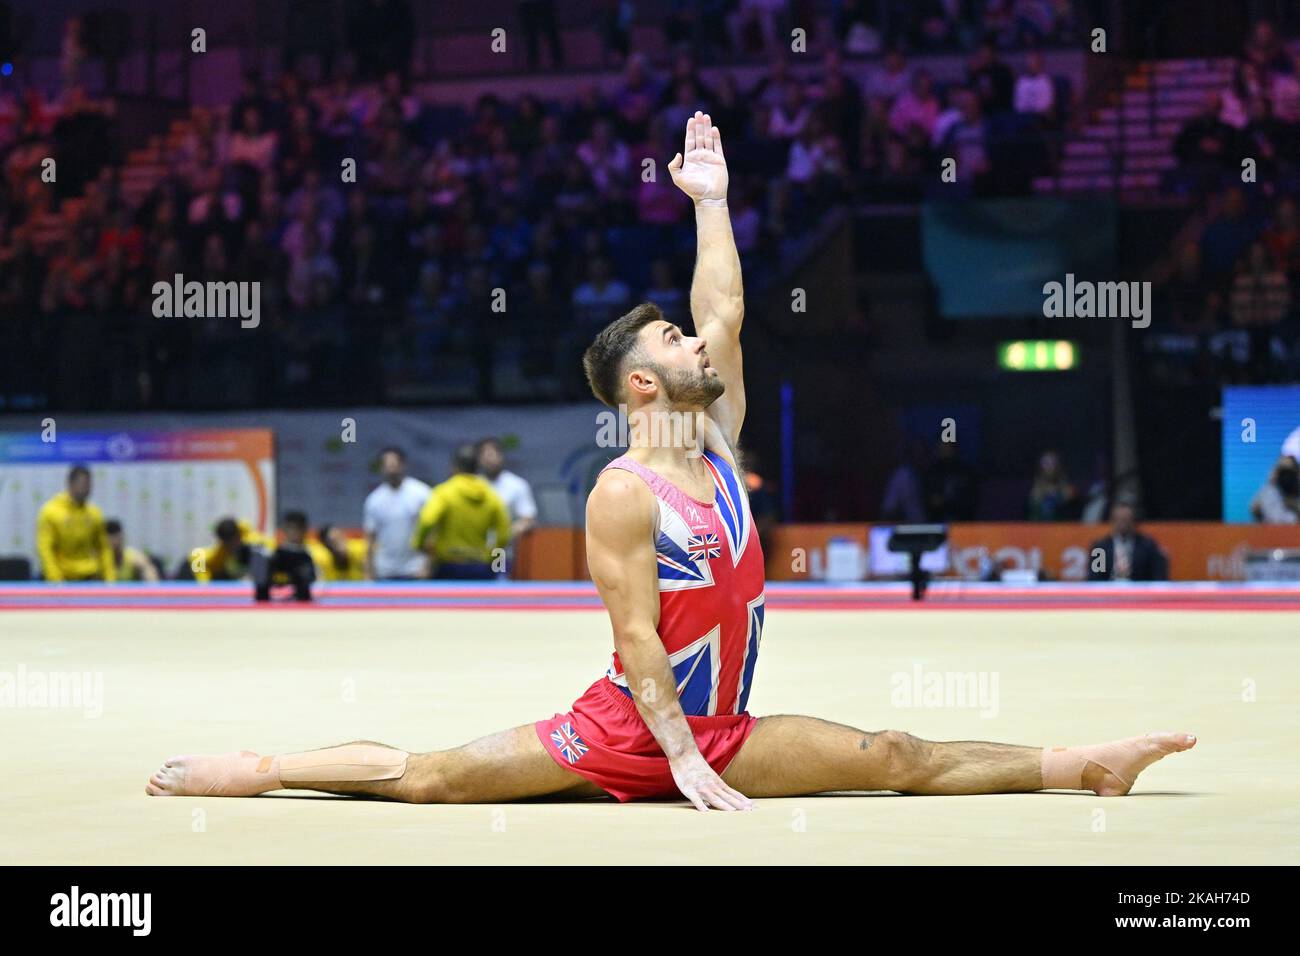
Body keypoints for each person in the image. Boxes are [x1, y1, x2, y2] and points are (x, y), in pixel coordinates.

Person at [146, 112, 1196, 810]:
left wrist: (710, 202)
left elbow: (725, 304)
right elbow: (638, 639)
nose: (697, 346)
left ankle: (1081, 762)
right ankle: (261, 765)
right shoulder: (622, 490)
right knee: (430, 781)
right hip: (621, 727)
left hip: (727, 726)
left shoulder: (722, 446)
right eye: (674, 344)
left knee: (894, 754)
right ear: (639, 384)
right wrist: (678, 761)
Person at [412, 445, 511, 580]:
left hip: (448, 567)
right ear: (477, 467)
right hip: (481, 567)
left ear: (454, 467)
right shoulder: (491, 496)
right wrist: (492, 559)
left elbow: (427, 520)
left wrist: (419, 544)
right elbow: (504, 535)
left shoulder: (444, 492)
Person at [36, 465, 115, 582]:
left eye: (89, 484)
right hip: (63, 577)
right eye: (84, 484)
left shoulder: (94, 513)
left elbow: (103, 548)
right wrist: (55, 580)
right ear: (70, 484)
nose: (88, 488)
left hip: (89, 576)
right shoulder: (51, 511)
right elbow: (45, 549)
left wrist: (110, 579)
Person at [362, 447, 431, 580]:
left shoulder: (422, 493)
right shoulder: (374, 500)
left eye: (394, 464)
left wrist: (428, 566)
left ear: (403, 465)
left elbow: (432, 535)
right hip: (384, 571)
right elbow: (370, 539)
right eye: (387, 465)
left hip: (415, 569)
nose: (391, 469)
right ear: (381, 468)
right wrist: (368, 573)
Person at [1087, 502, 1169, 582]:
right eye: (1118, 520)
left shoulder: (1147, 546)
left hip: (1138, 592)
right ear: (1112, 521)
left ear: (1134, 521)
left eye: (1126, 520)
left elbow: (1158, 577)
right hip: (1109, 592)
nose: (1122, 524)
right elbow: (1095, 579)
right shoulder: (1100, 547)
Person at [476, 437, 538, 541]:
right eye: (484, 456)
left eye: (492, 455)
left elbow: (528, 519)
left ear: (501, 456)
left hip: (504, 548)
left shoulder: (517, 484)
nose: (489, 460)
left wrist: (505, 534)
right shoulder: (471, 485)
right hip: (474, 547)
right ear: (479, 459)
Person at [254, 511, 316, 602]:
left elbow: (318, 584)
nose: (293, 532)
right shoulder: (272, 553)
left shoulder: (314, 553)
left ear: (304, 529)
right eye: (289, 528)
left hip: (303, 605)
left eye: (297, 528)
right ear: (284, 529)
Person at [1249, 455, 1300, 524]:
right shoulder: (1270, 490)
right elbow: (1277, 520)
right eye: (1283, 472)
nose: (1286, 477)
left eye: (1289, 472)